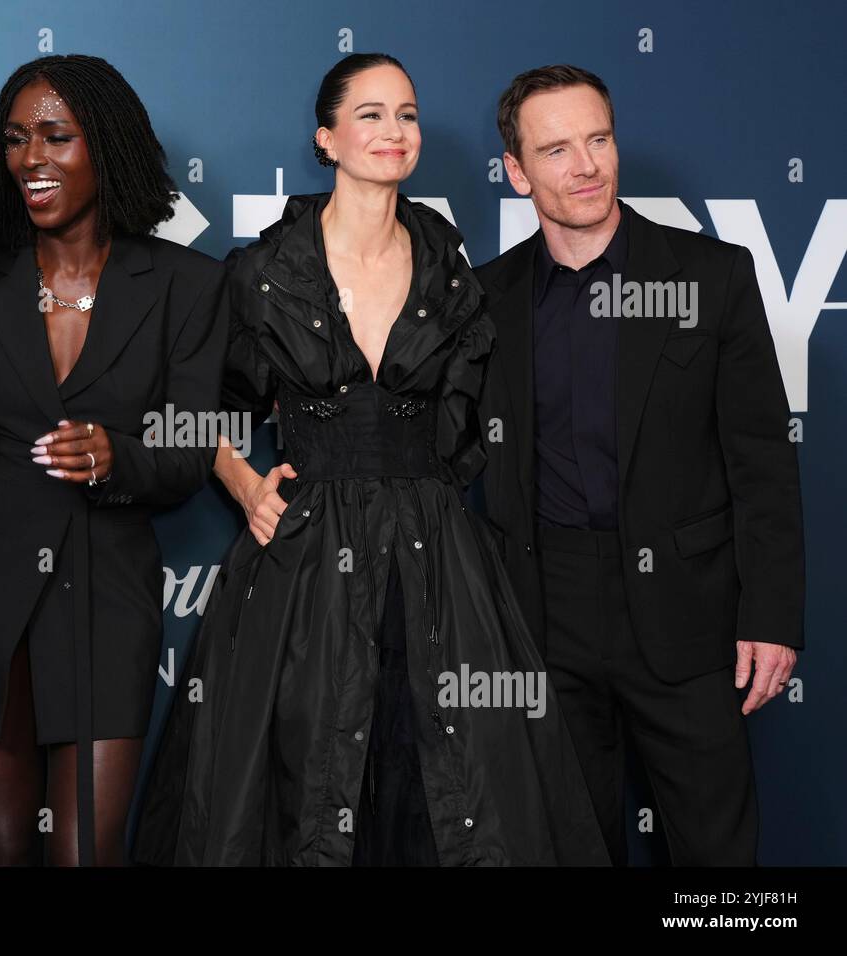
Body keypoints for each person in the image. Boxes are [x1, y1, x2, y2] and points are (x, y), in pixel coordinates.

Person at [132, 53, 607, 866]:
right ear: (328, 137)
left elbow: (475, 424)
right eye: (372, 114)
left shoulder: (454, 272)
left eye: (409, 114)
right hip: (302, 566)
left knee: (455, 781)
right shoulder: (263, 273)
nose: (395, 131)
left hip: (438, 562)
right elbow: (184, 406)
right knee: (299, 778)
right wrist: (246, 484)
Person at [472, 64, 804, 865]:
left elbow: (762, 459)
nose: (585, 165)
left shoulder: (711, 276)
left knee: (718, 860)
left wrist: (770, 616)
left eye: (598, 139)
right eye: (555, 150)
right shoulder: (486, 299)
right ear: (517, 172)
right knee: (571, 845)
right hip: (545, 612)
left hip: (689, 613)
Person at [0, 54, 228, 866]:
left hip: (107, 597)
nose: (32, 158)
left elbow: (186, 452)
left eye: (57, 136)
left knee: (86, 852)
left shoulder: (186, 284)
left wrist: (117, 458)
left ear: (106, 147)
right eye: (15, 141)